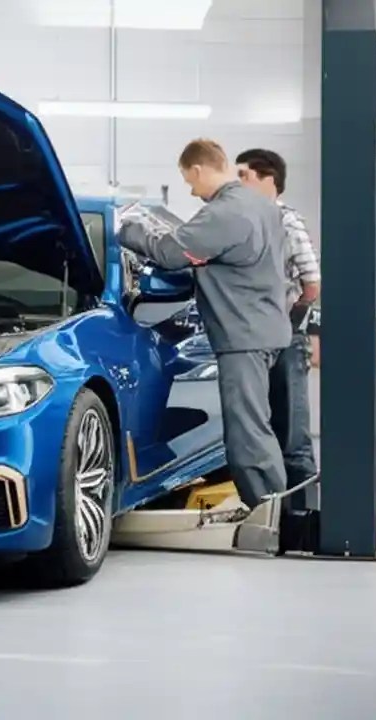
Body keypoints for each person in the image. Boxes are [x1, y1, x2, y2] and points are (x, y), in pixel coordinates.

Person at [117, 139, 291, 518]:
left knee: (247, 431)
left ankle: (268, 512)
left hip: (243, 334)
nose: (191, 191)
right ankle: (276, 507)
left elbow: (170, 253)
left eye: (188, 181)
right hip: (265, 327)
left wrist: (126, 231)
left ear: (198, 169)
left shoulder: (225, 211)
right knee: (260, 425)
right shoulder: (261, 204)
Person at [235, 148, 320, 509]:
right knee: (261, 432)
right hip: (253, 340)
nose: (236, 184)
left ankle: (304, 518)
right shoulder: (243, 221)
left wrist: (285, 319)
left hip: (284, 338)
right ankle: (275, 517)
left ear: (268, 179)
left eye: (244, 176)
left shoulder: (286, 221)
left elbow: (312, 282)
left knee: (291, 434)